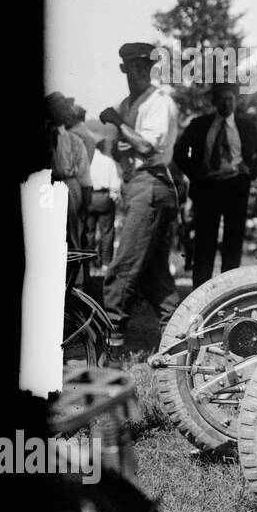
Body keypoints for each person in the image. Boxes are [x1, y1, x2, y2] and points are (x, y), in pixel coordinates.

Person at [98, 42, 181, 365]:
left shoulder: (159, 102)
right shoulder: (128, 103)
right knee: (152, 276)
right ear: (125, 69)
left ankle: (111, 348)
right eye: (134, 66)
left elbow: (145, 147)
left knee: (123, 267)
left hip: (152, 184)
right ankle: (178, 340)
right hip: (139, 186)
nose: (140, 71)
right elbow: (119, 148)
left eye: (145, 66)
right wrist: (121, 138)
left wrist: (118, 124)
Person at [173, 82, 257, 287]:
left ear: (235, 101)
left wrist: (250, 171)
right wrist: (195, 173)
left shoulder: (246, 126)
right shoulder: (201, 124)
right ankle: (200, 291)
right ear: (214, 101)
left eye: (230, 99)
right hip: (208, 188)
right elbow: (179, 152)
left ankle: (229, 291)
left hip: (236, 188)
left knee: (233, 243)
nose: (226, 104)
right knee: (204, 243)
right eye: (222, 99)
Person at [46, 91, 91, 251]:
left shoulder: (74, 141)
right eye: (63, 108)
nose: (69, 112)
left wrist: (86, 204)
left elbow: (84, 175)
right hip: (44, 188)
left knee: (71, 237)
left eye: (68, 108)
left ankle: (73, 274)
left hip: (68, 188)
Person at [86, 122, 123, 271]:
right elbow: (114, 184)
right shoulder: (108, 162)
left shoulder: (87, 161)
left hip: (90, 197)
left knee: (89, 232)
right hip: (104, 197)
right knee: (106, 232)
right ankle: (106, 262)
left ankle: (88, 261)